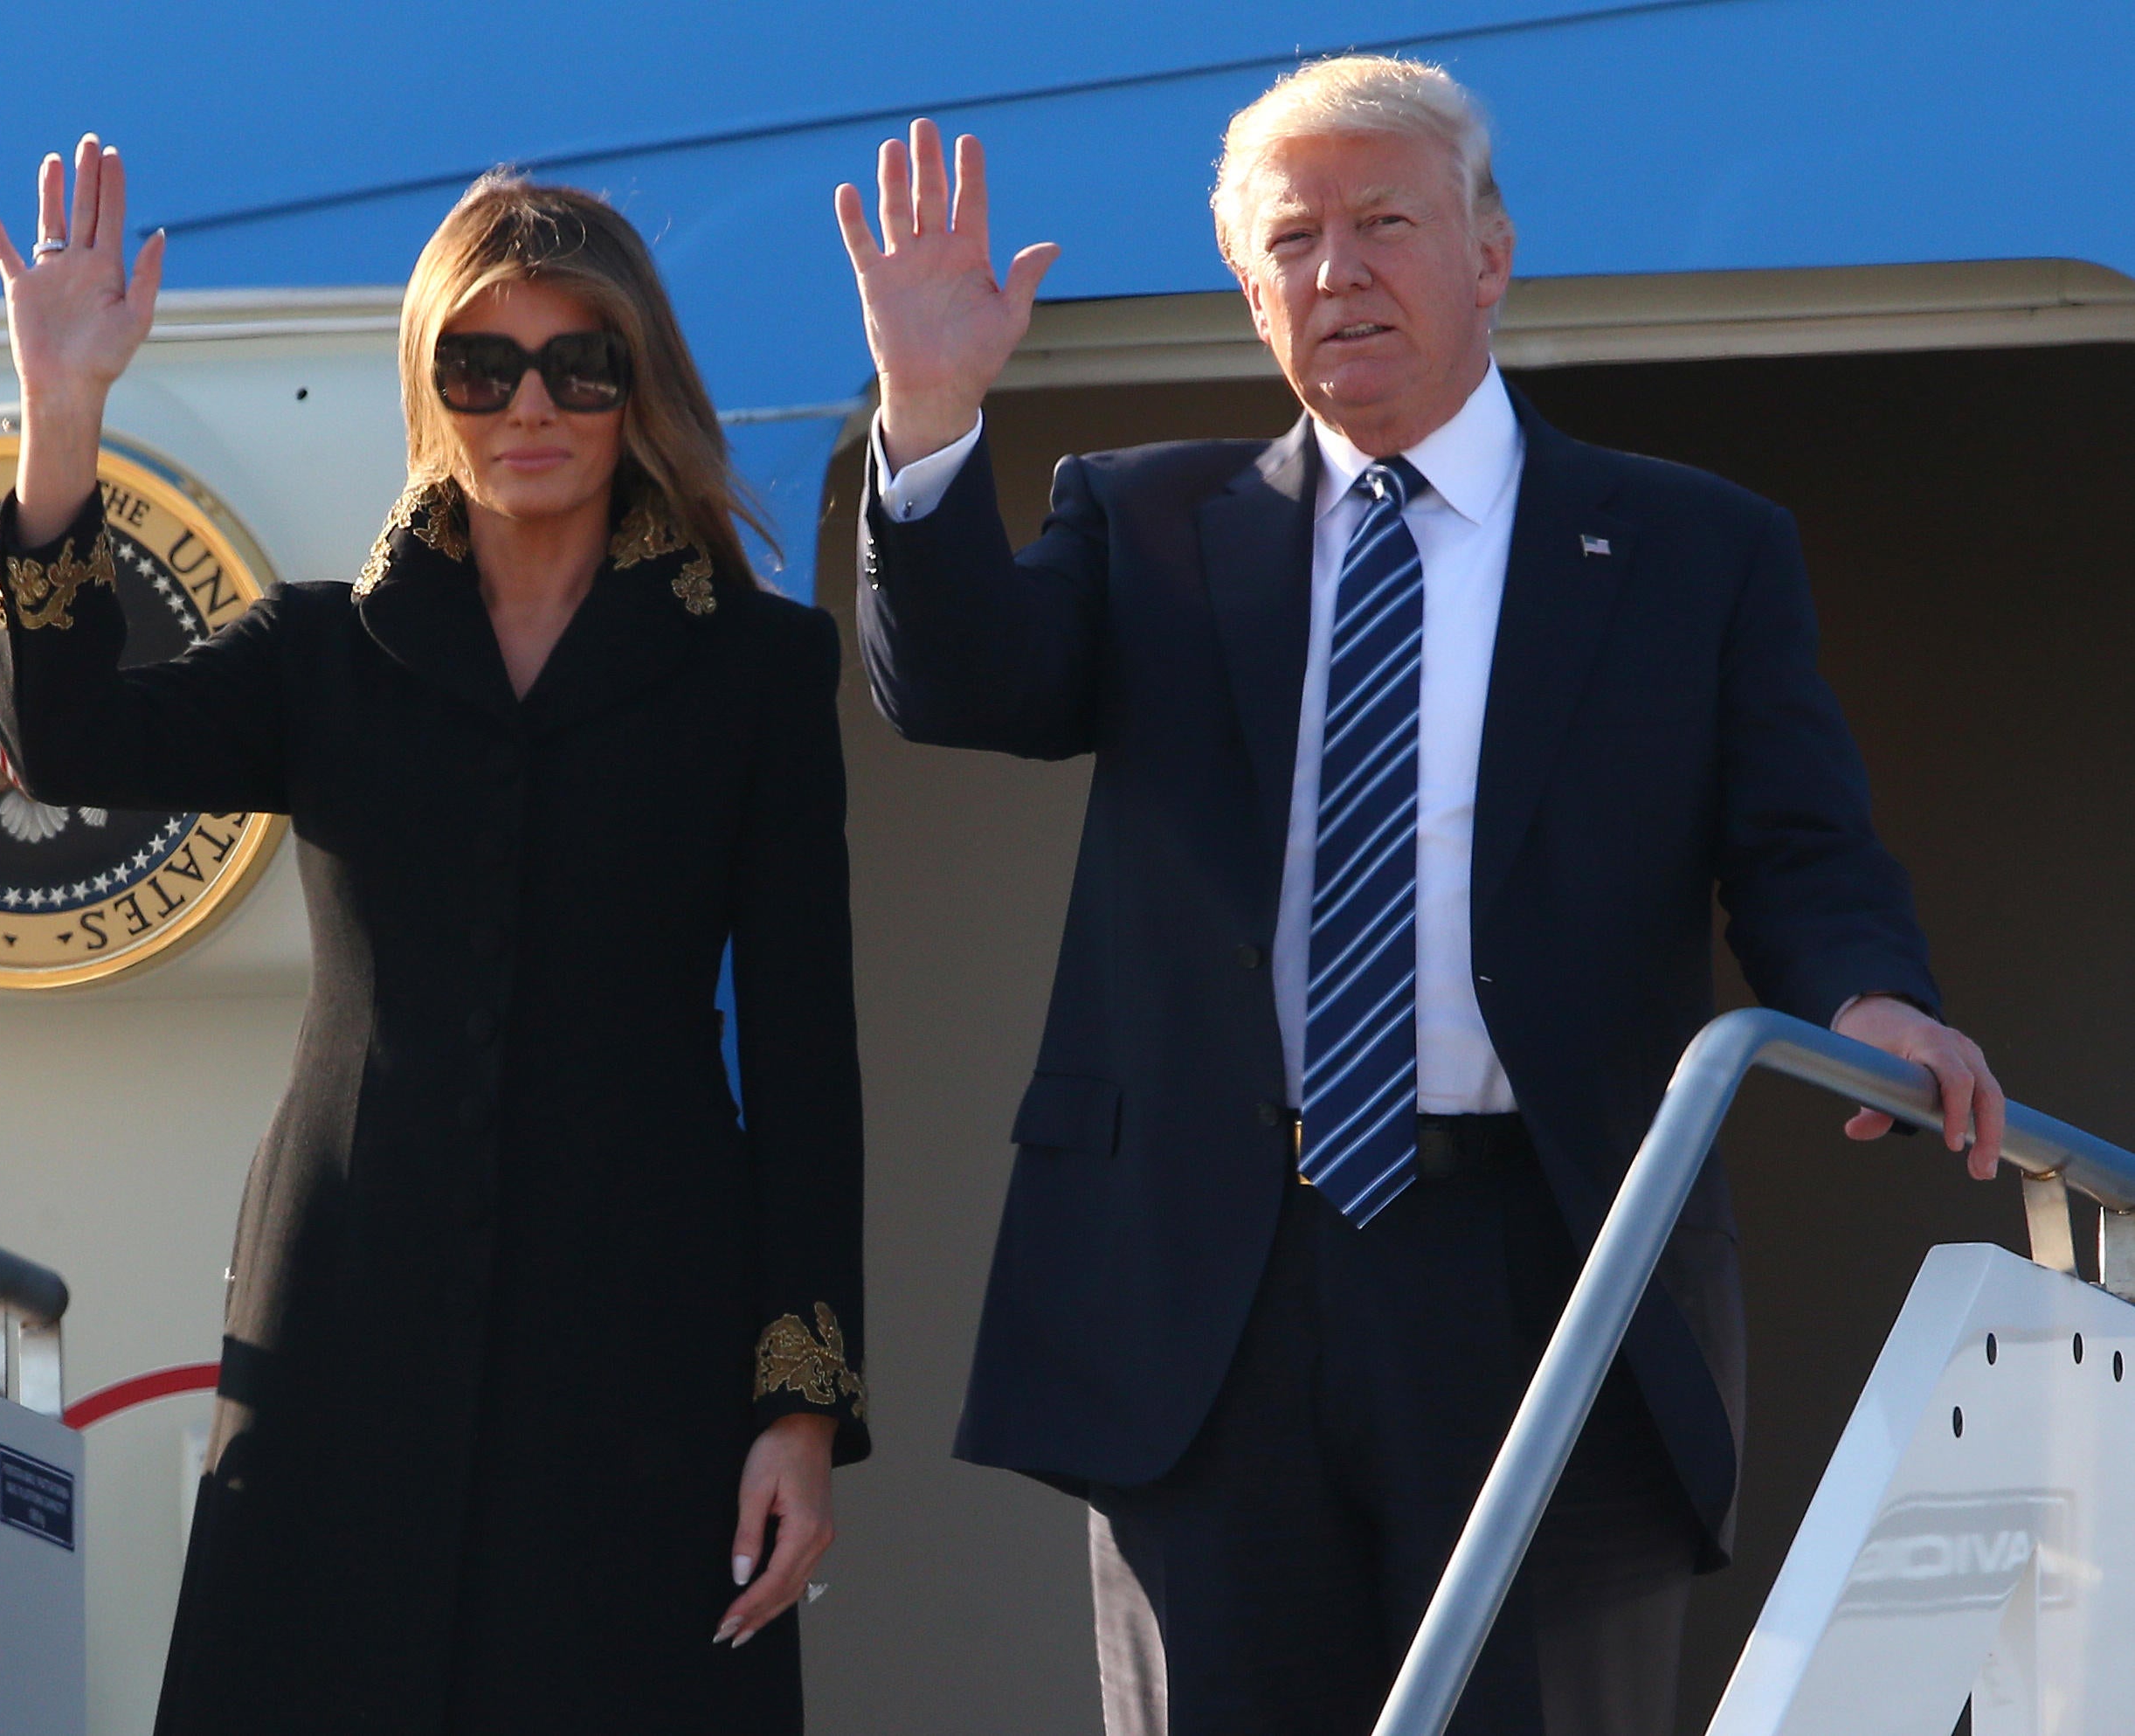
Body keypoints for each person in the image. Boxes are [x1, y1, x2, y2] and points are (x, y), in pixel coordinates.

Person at [837, 56, 2004, 1736]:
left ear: (1491, 253)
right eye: (1292, 241)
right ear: (1251, 297)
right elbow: (960, 684)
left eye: (1384, 222)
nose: (1338, 271)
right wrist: (934, 420)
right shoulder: (1149, 519)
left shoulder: (1691, 549)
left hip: (1550, 1270)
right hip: (1210, 1298)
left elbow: (1803, 850)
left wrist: (1869, 999)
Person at [0, 137, 867, 1734]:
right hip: (343, 1311)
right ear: (433, 384)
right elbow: (68, 745)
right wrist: (63, 415)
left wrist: (798, 1410)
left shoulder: (758, 674)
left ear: (636, 384)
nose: (529, 407)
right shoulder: (323, 653)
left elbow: (807, 1059)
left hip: (642, 1329)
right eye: (484, 363)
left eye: (576, 365)